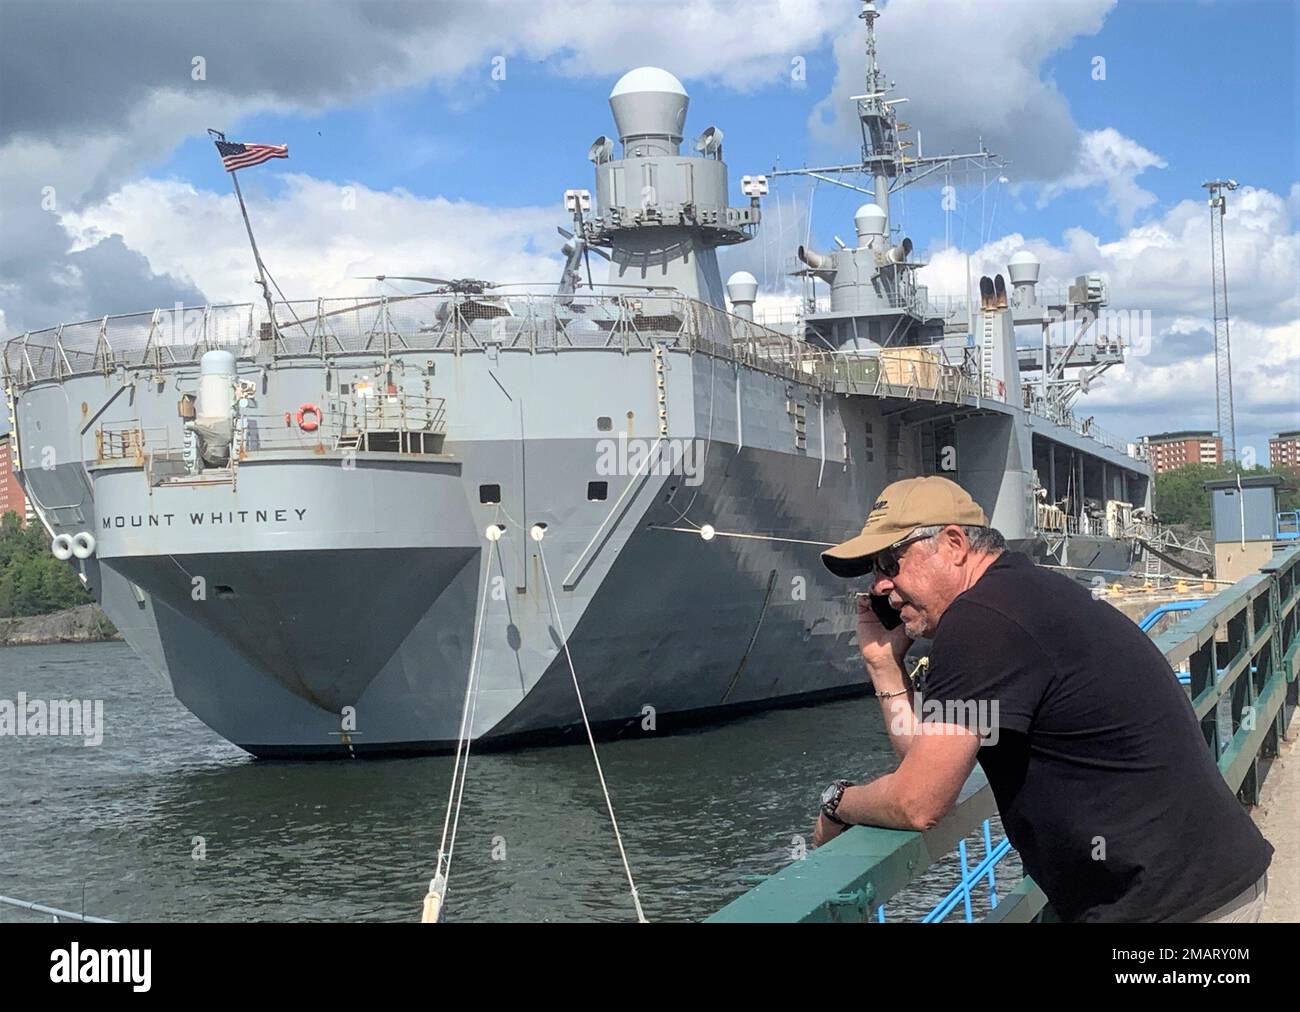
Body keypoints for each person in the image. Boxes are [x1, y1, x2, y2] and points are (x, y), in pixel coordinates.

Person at [813, 475, 1273, 923]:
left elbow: (918, 801)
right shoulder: (1017, 595)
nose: (879, 586)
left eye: (890, 562)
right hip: (1205, 888)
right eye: (875, 571)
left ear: (954, 545)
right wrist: (884, 667)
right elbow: (924, 757)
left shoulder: (978, 623)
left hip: (1177, 908)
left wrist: (838, 802)